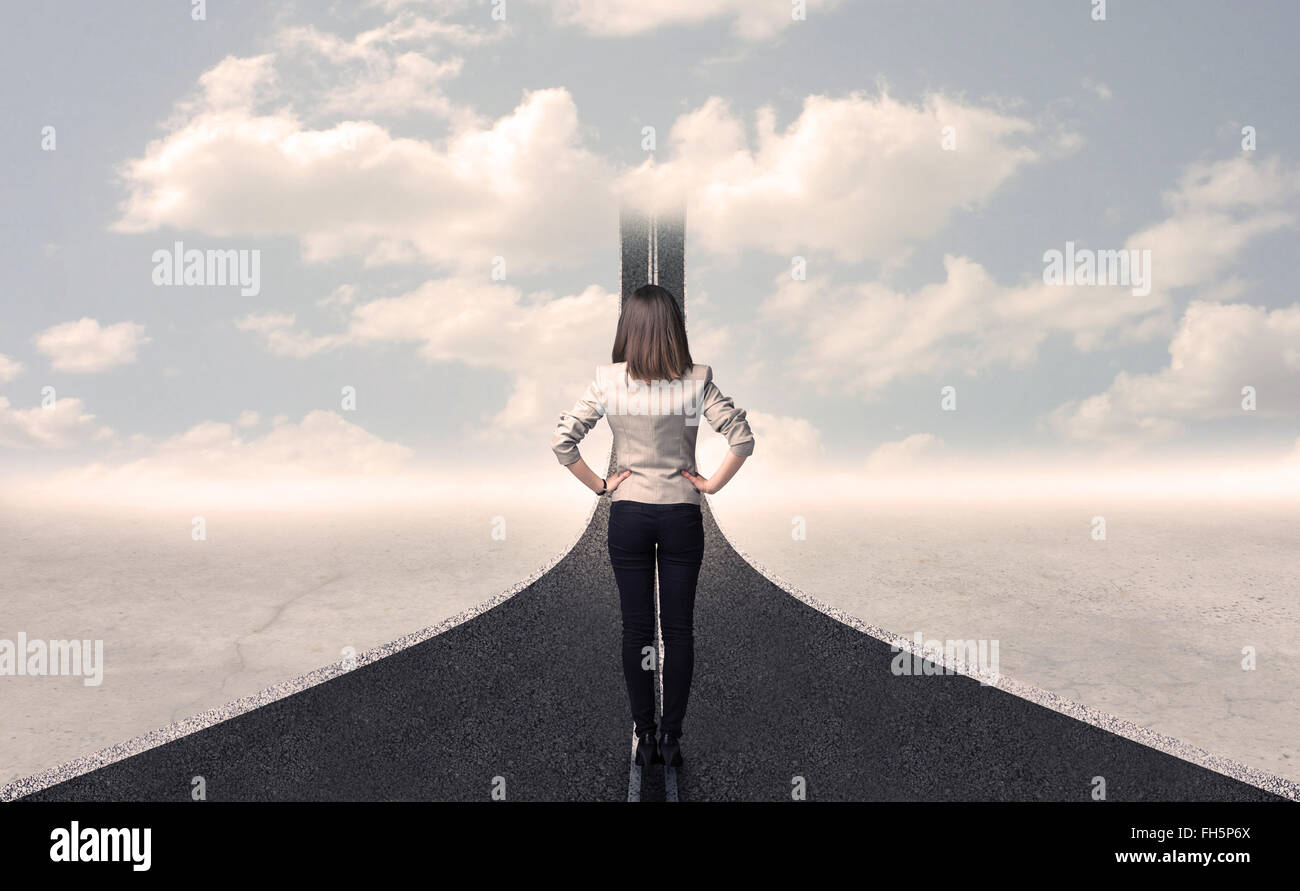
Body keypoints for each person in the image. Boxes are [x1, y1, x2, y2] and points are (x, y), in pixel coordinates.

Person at [550, 283, 755, 769]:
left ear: (628, 329)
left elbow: (563, 443)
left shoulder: (608, 381)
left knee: (636, 629)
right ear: (674, 329)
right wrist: (710, 486)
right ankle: (673, 739)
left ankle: (643, 737)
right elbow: (741, 439)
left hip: (629, 514)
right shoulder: (695, 379)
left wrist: (601, 486)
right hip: (682, 512)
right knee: (678, 631)